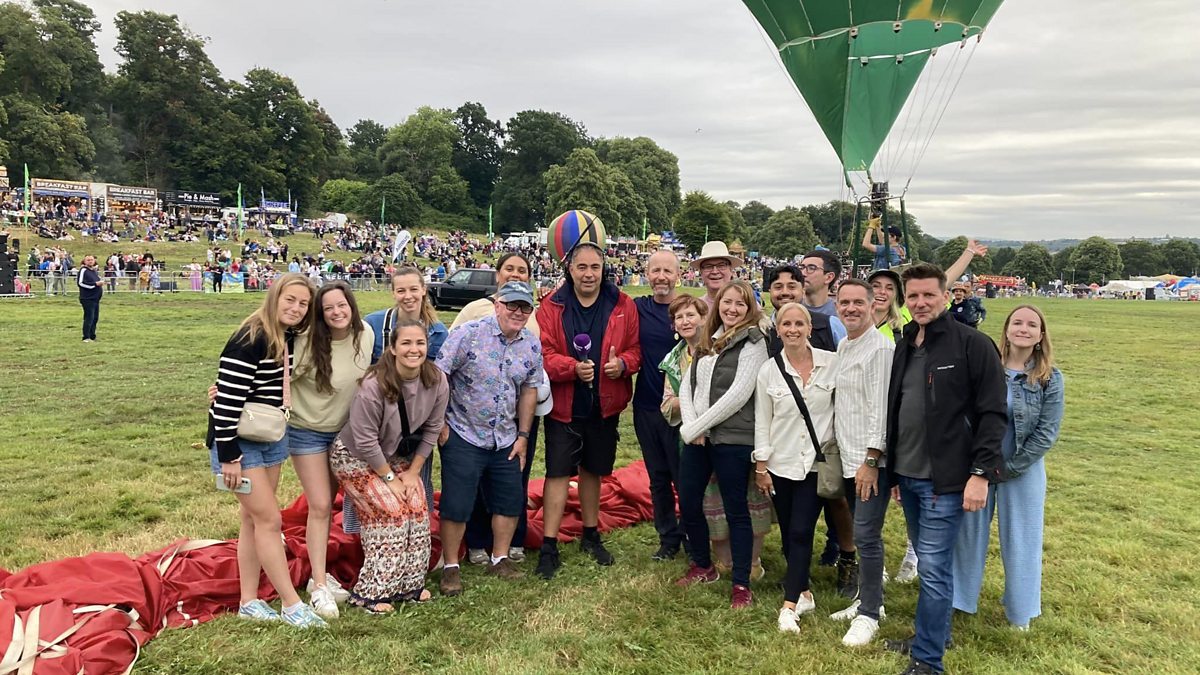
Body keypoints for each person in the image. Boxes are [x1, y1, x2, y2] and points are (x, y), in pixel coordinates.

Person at [884, 263, 1007, 675]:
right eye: (913, 296)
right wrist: (896, 473)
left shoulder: (972, 345)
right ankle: (933, 635)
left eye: (928, 295)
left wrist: (980, 474)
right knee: (932, 564)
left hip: (948, 480)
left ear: (946, 295)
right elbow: (898, 409)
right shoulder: (906, 342)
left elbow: (993, 414)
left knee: (934, 570)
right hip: (909, 474)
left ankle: (927, 661)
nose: (920, 303)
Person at [206, 272, 327, 628]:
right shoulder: (251, 336)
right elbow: (227, 401)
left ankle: (248, 600)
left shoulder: (285, 336)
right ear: (274, 297)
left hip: (270, 436)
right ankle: (291, 604)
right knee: (270, 520)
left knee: (252, 520)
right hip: (240, 443)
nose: (296, 308)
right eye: (290, 299)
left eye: (303, 303)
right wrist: (228, 455)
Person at [953, 305, 1063, 630]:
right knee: (967, 533)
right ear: (1006, 329)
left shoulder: (1050, 379)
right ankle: (960, 601)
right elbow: (967, 416)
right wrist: (980, 468)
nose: (1023, 329)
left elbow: (1046, 433)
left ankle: (1020, 613)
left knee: (1022, 539)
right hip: (979, 466)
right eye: (1017, 322)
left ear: (1041, 335)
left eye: (1032, 325)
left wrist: (1009, 467)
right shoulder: (986, 368)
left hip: (1022, 469)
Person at [536, 242, 641, 580]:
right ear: (569, 268)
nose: (588, 274)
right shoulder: (551, 306)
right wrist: (570, 368)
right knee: (557, 473)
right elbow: (543, 353)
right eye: (582, 267)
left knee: (594, 471)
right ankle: (549, 544)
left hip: (604, 404)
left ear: (603, 268)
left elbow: (636, 350)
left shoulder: (622, 303)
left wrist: (622, 364)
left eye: (595, 267)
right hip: (564, 406)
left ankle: (591, 534)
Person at [330, 320, 448, 613]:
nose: (414, 349)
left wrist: (412, 473)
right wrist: (391, 479)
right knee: (392, 510)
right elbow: (365, 440)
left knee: (419, 504)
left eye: (419, 343)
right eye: (406, 343)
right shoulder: (374, 386)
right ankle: (370, 593)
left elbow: (433, 429)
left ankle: (409, 585)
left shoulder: (437, 380)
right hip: (353, 457)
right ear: (393, 348)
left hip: (393, 458)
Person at [435, 282, 542, 595]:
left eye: (525, 307)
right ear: (497, 304)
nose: (518, 312)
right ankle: (452, 565)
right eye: (512, 305)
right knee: (457, 503)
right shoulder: (468, 334)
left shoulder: (531, 345)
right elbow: (439, 375)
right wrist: (440, 423)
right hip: (463, 432)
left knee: (510, 501)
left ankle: (500, 557)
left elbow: (529, 389)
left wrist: (523, 435)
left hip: (505, 437)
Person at [675, 280, 768, 608]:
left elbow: (739, 394)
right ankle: (703, 564)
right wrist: (691, 426)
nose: (732, 309)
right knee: (688, 500)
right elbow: (688, 384)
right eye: (727, 302)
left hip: (732, 438)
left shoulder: (754, 342)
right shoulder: (707, 339)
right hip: (699, 436)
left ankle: (741, 582)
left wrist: (698, 426)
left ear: (749, 308)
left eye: (740, 304)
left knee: (735, 509)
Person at [288, 281, 374, 617]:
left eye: (342, 305)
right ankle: (320, 587)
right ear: (320, 315)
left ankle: (318, 575)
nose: (337, 312)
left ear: (351, 306)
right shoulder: (306, 342)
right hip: (306, 431)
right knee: (321, 505)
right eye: (328, 308)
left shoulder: (365, 333)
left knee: (328, 505)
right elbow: (269, 374)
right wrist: (224, 388)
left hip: (343, 434)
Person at [752, 302, 837, 632]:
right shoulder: (768, 371)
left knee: (802, 530)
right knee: (788, 532)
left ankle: (789, 607)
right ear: (778, 329)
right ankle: (804, 592)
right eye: (785, 324)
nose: (792, 329)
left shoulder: (831, 364)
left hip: (816, 465)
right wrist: (761, 466)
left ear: (809, 328)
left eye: (798, 323)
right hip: (780, 463)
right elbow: (763, 421)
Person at [765, 263, 853, 574]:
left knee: (837, 500)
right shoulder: (766, 331)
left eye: (792, 285)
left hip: (829, 437)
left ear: (804, 290)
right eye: (778, 286)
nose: (785, 291)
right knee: (794, 509)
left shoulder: (829, 325)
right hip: (788, 438)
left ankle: (846, 555)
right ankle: (797, 570)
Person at [828, 279, 896, 646]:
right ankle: (866, 601)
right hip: (849, 458)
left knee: (867, 537)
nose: (850, 308)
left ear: (873, 306)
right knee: (861, 531)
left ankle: (870, 612)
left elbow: (881, 411)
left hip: (869, 462)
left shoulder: (880, 350)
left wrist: (872, 459)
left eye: (858, 302)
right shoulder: (845, 344)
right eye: (845, 303)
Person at [364, 265, 449, 511]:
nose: (408, 296)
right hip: (379, 417)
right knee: (375, 483)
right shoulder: (374, 324)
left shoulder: (437, 331)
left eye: (414, 289)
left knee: (415, 484)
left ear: (424, 290)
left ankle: (417, 531)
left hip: (416, 421)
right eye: (401, 290)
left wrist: (440, 420)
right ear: (393, 293)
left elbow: (438, 381)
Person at [633, 249, 687, 560]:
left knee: (684, 477)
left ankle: (693, 535)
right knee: (657, 477)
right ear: (648, 274)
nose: (662, 277)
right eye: (656, 271)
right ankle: (667, 538)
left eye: (668, 271)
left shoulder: (687, 310)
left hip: (682, 409)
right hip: (647, 405)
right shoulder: (638, 307)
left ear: (677, 274)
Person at [798, 250, 848, 342]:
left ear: (829, 277)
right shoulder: (790, 308)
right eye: (802, 267)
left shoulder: (841, 314)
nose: (803, 273)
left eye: (811, 268)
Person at [690, 240, 739, 307]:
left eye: (721, 266)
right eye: (708, 267)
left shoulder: (747, 306)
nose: (715, 271)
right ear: (701, 272)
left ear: (731, 270)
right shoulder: (695, 308)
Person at [76, 255, 103, 342]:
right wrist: (95, 285)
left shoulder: (94, 271)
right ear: (84, 261)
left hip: (96, 298)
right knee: (89, 317)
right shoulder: (83, 270)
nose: (90, 261)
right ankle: (86, 337)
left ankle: (92, 336)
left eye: (92, 260)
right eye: (88, 260)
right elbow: (81, 283)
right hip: (87, 298)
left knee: (95, 318)